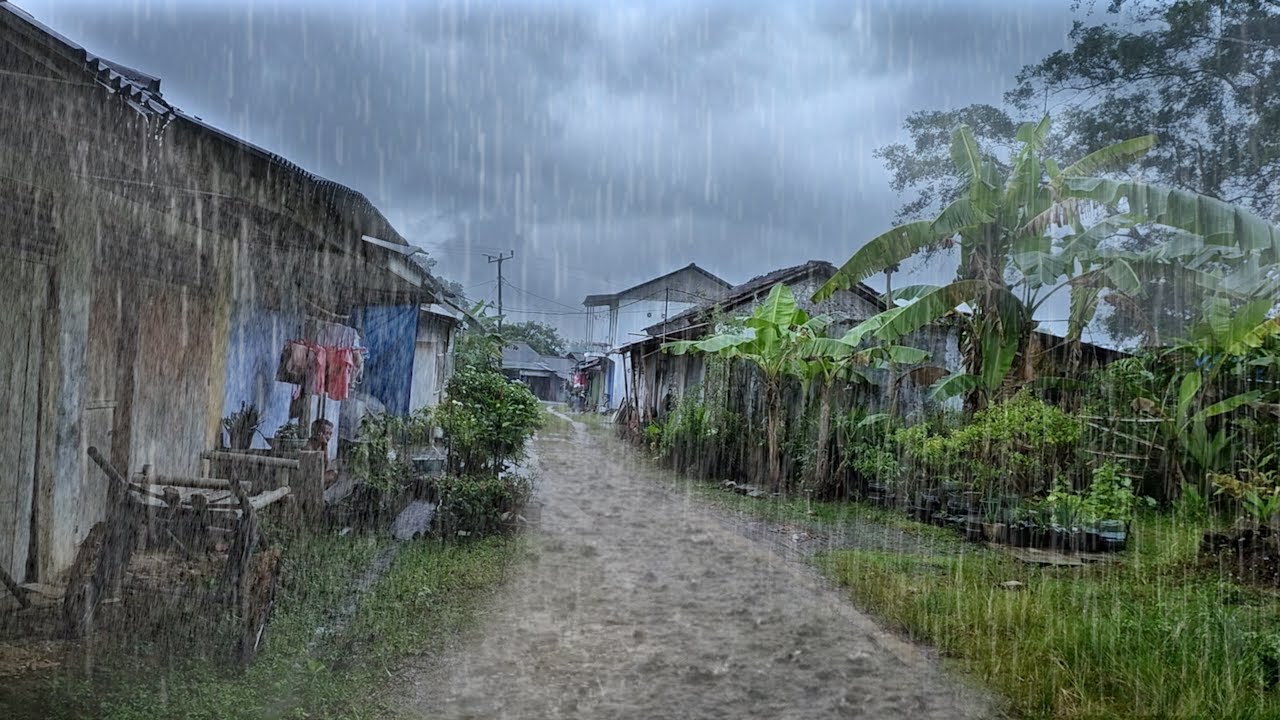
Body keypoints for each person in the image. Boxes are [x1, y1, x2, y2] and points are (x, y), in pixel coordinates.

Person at [305, 419, 338, 487]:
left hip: (316, 476)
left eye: (330, 434)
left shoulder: (321, 445)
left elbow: (324, 467)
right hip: (307, 478)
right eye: (326, 433)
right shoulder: (309, 446)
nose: (329, 437)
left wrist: (324, 446)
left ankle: (319, 493)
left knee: (334, 474)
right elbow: (319, 469)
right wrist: (325, 445)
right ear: (318, 433)